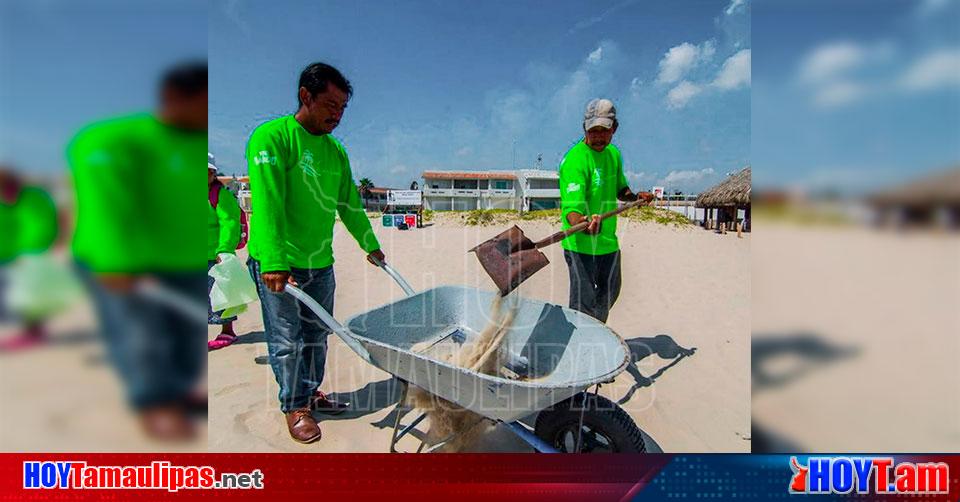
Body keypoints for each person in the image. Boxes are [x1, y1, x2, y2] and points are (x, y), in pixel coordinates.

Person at [67, 61, 208, 440]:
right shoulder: (113, 139)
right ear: (174, 99)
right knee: (140, 333)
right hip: (121, 260)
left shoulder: (199, 145)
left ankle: (178, 392)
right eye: (205, 105)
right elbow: (105, 205)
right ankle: (154, 403)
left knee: (187, 331)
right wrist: (116, 261)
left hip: (184, 258)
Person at [246, 62, 385, 444]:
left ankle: (309, 392)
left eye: (342, 108)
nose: (337, 115)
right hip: (278, 263)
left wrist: (369, 243)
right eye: (330, 104)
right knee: (287, 339)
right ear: (305, 96)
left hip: (320, 262)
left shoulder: (336, 152)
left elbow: (349, 204)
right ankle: (295, 406)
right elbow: (268, 203)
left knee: (317, 336)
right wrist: (274, 261)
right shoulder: (271, 138)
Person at [558, 98, 653, 323]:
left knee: (609, 293)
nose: (599, 136)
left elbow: (621, 189)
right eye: (594, 131)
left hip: (608, 242)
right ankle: (581, 347)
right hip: (580, 244)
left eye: (604, 130)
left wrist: (636, 197)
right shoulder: (575, 160)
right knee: (584, 304)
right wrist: (581, 222)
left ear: (614, 129)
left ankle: (595, 335)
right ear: (585, 129)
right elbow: (571, 207)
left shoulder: (613, 154)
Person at [0, 166, 58, 352]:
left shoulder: (32, 197)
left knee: (28, 297)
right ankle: (31, 330)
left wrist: (30, 253)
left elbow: (41, 225)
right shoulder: (11, 199)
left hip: (25, 255)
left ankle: (33, 332)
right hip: (8, 254)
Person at [207, 153, 241, 350]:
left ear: (213, 173)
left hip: (216, 255)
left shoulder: (220, 195)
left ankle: (227, 330)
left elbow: (230, 223)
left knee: (221, 296)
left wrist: (225, 249)